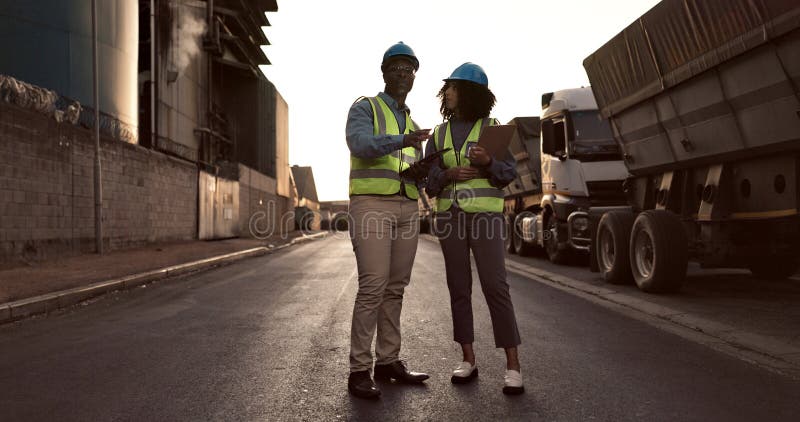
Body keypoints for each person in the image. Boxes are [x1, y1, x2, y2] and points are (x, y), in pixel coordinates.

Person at [424, 62, 524, 395]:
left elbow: (508, 174)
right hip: (449, 217)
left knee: (495, 286)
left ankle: (513, 366)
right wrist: (447, 175)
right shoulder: (438, 135)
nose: (448, 93)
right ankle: (468, 359)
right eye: (447, 88)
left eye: (453, 88)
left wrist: (488, 163)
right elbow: (429, 182)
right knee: (459, 287)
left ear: (470, 93)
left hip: (485, 217)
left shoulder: (492, 129)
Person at [344, 41, 432, 400]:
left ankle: (388, 361)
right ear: (384, 72)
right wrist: (401, 140)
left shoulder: (415, 125)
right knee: (373, 286)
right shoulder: (365, 107)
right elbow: (359, 144)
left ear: (414, 77)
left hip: (407, 207)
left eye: (409, 69)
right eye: (396, 67)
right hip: (371, 205)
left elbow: (410, 171)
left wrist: (423, 172)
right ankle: (359, 370)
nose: (403, 74)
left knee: (395, 288)